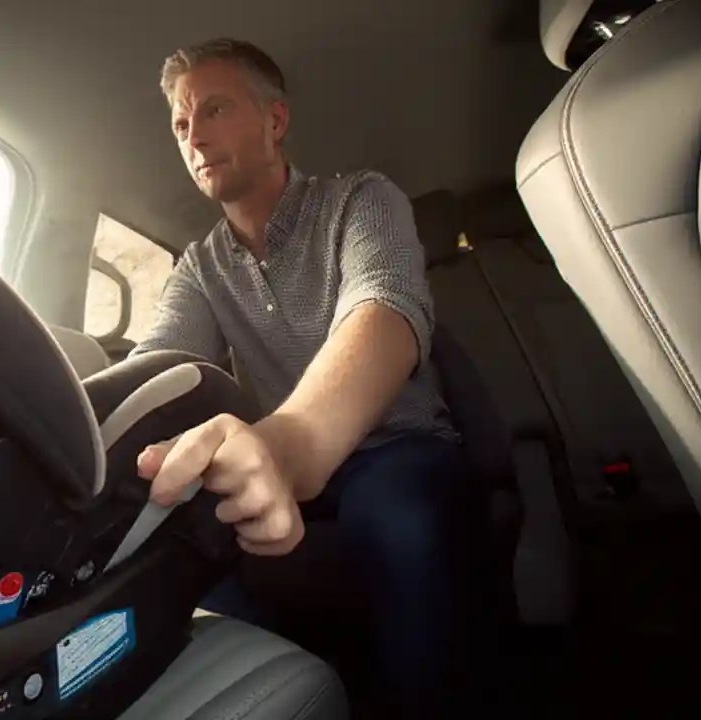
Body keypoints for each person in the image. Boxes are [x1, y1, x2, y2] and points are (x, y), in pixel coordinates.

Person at [131, 38, 494, 716]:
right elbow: (159, 368)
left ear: (275, 120)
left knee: (399, 516)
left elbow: (383, 304)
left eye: (214, 110)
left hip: (397, 448)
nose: (194, 137)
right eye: (181, 124)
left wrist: (287, 442)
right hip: (280, 473)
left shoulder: (361, 199)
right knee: (190, 553)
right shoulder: (200, 267)